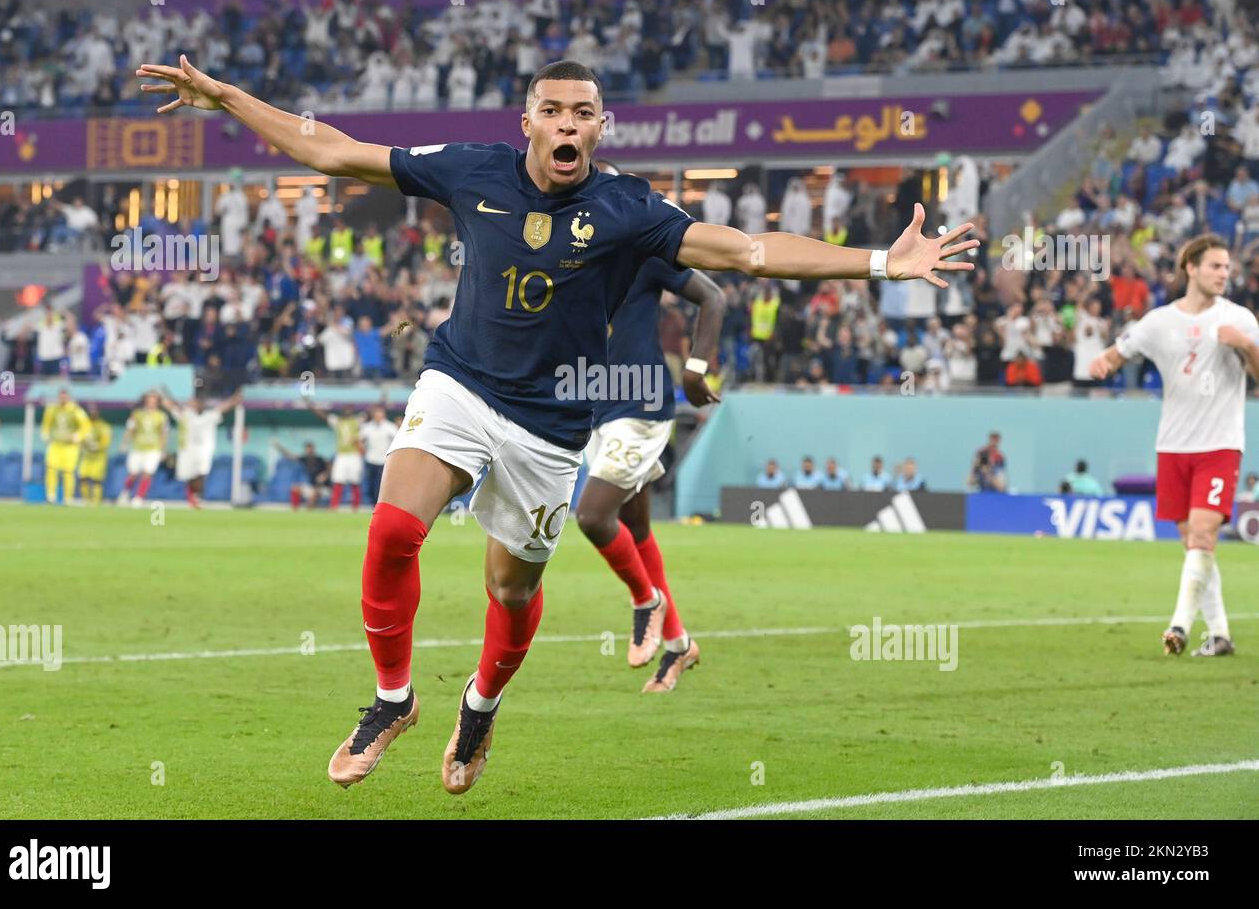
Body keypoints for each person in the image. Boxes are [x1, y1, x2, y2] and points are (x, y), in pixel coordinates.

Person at [138, 55, 976, 794]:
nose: (568, 124)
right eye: (554, 110)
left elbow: (748, 253)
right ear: (528, 122)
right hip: (460, 382)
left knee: (511, 587)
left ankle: (480, 706)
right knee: (394, 527)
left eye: (584, 113)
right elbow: (330, 149)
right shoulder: (471, 171)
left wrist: (881, 262)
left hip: (550, 423)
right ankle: (393, 700)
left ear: (601, 128)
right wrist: (226, 98)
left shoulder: (627, 207)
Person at [575, 158, 724, 688]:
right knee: (635, 530)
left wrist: (697, 367)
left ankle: (647, 601)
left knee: (593, 516)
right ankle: (680, 646)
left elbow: (713, 295)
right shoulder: (567, 254)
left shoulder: (645, 250)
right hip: (596, 408)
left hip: (640, 408)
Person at [1090, 234, 1259, 657]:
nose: (1224, 274)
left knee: (1203, 534)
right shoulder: (1159, 321)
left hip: (1220, 444)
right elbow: (1118, 353)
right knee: (1193, 545)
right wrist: (1102, 362)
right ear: (1191, 268)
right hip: (1173, 446)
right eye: (1215, 266)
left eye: (1227, 268)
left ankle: (1179, 626)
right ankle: (1219, 635)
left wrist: (1247, 347)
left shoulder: (1239, 319)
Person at [162, 389, 240, 508]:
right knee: (188, 475)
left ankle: (197, 496)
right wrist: (164, 396)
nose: (192, 404)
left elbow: (224, 407)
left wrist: (236, 398)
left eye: (195, 402)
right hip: (187, 450)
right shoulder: (184, 415)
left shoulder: (209, 416)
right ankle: (192, 499)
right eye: (191, 402)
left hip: (204, 450)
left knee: (200, 473)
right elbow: (170, 405)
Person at [308, 402, 364, 510]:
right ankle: (334, 506)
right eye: (346, 409)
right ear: (342, 411)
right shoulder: (338, 421)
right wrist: (311, 405)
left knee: (355, 481)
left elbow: (371, 413)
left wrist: (382, 400)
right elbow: (324, 416)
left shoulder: (357, 421)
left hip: (354, 455)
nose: (348, 411)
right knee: (338, 480)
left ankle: (355, 507)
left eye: (350, 409)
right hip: (341, 455)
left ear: (353, 411)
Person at [117, 392, 169, 506]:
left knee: (148, 473)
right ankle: (125, 492)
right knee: (133, 473)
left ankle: (139, 498)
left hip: (153, 448)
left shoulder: (162, 416)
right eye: (149, 400)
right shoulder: (137, 414)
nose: (151, 403)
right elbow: (130, 429)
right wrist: (124, 444)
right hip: (138, 447)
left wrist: (163, 449)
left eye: (153, 401)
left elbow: (163, 434)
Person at [40, 388, 90, 505]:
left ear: (68, 397)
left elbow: (85, 425)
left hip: (70, 446)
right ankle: (51, 496)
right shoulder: (52, 409)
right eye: (61, 397)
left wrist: (78, 436)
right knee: (51, 469)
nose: (62, 399)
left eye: (65, 397)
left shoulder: (75, 410)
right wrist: (45, 434)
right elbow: (46, 423)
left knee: (68, 471)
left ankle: (68, 498)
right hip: (56, 444)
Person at [359, 406, 400, 507]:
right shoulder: (367, 427)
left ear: (384, 415)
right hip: (370, 459)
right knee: (370, 485)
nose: (378, 416)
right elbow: (360, 440)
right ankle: (373, 503)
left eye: (380, 413)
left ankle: (379, 505)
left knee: (381, 485)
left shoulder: (390, 427)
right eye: (376, 414)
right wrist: (363, 452)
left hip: (384, 461)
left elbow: (397, 441)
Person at [276, 440, 330, 510]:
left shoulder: (320, 459)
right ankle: (295, 510)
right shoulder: (304, 459)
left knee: (315, 493)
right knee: (295, 488)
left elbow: (330, 468)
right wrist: (279, 447)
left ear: (314, 449)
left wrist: (325, 475)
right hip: (311, 486)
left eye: (310, 448)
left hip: (323, 488)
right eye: (307, 449)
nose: (309, 450)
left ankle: (309, 511)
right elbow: (290, 456)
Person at [77, 402, 112, 506]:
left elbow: (106, 441)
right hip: (86, 457)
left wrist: (97, 446)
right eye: (90, 411)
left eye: (94, 411)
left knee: (97, 480)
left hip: (98, 457)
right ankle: (86, 500)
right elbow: (79, 438)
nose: (92, 413)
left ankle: (96, 502)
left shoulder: (103, 426)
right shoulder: (84, 425)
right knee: (83, 477)